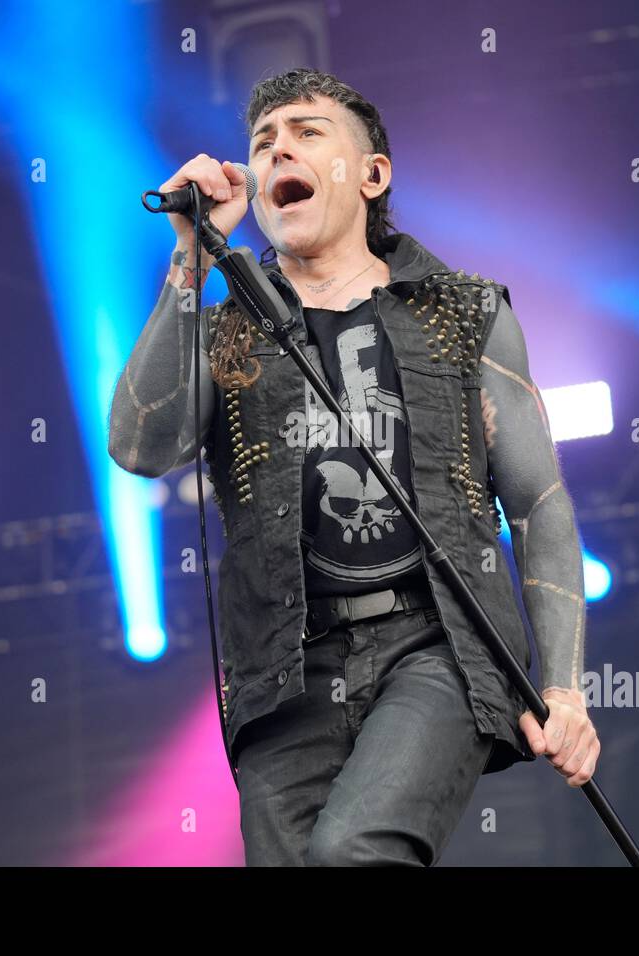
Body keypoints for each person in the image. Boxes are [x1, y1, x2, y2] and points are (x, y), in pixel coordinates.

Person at [109, 68, 598, 866]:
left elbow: (539, 504)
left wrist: (568, 690)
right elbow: (138, 447)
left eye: (306, 132)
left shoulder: (464, 310)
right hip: (285, 669)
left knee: (352, 853)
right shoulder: (227, 327)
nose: (277, 152)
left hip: (436, 644)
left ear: (372, 174)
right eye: (262, 144)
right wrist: (190, 261)